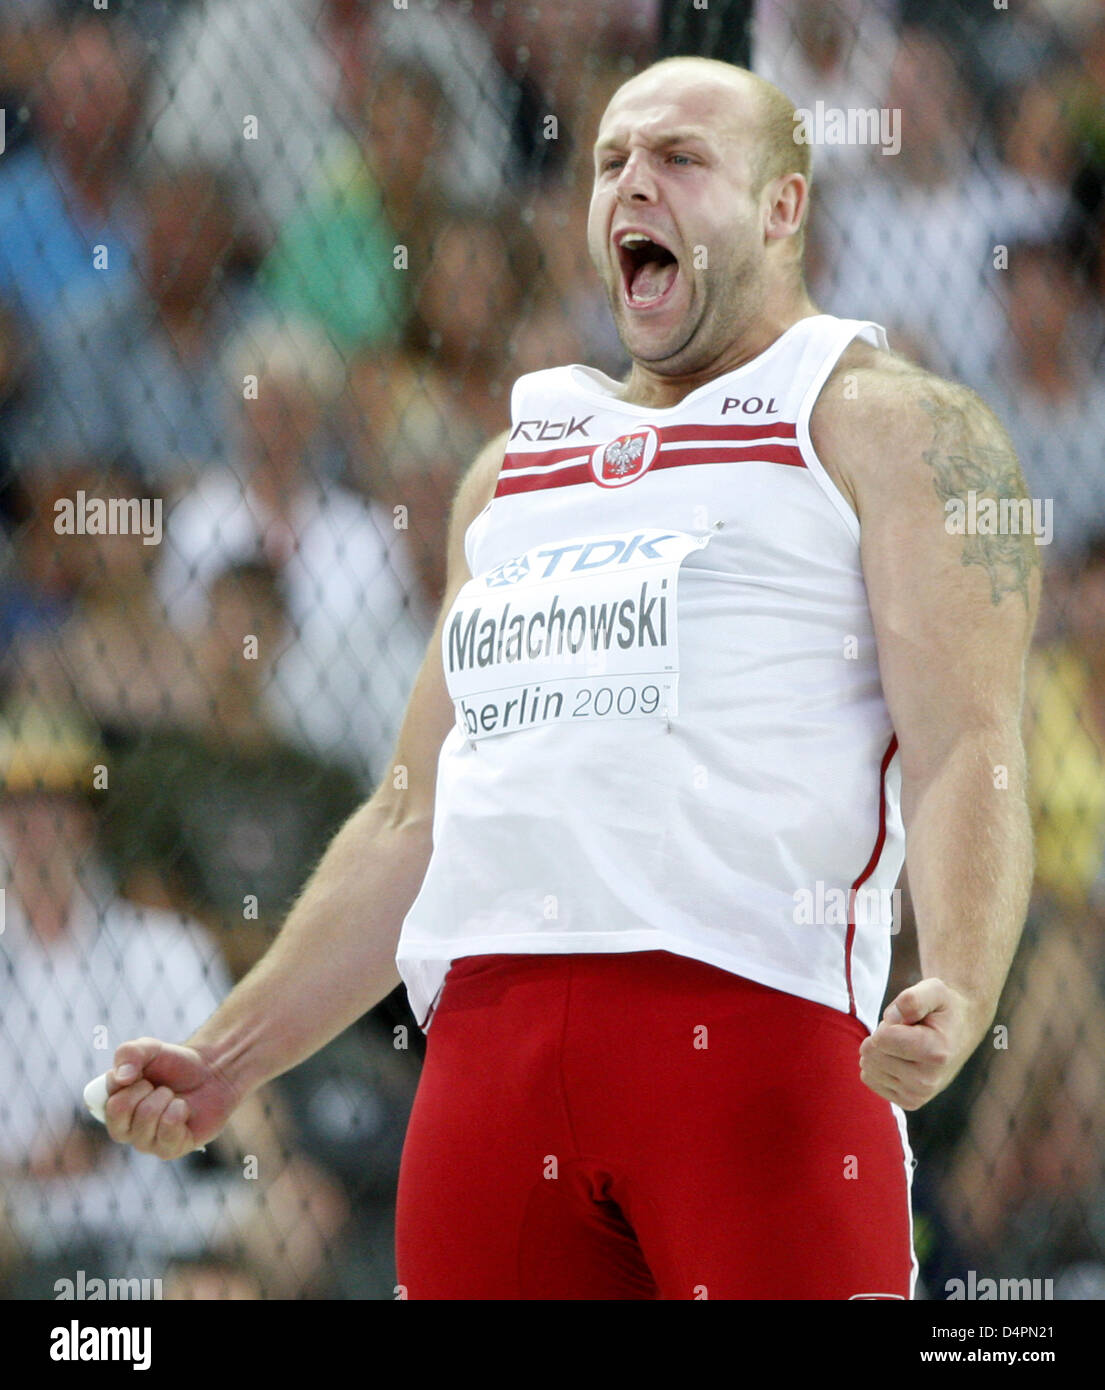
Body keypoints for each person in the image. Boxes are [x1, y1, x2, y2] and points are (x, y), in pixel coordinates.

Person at [95, 56, 1040, 1300]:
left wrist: (963, 983)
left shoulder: (885, 427)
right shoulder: (509, 473)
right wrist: (227, 1057)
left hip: (756, 1046)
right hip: (486, 1073)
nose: (630, 182)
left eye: (680, 159)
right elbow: (408, 818)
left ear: (782, 206)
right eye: (608, 162)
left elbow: (971, 746)